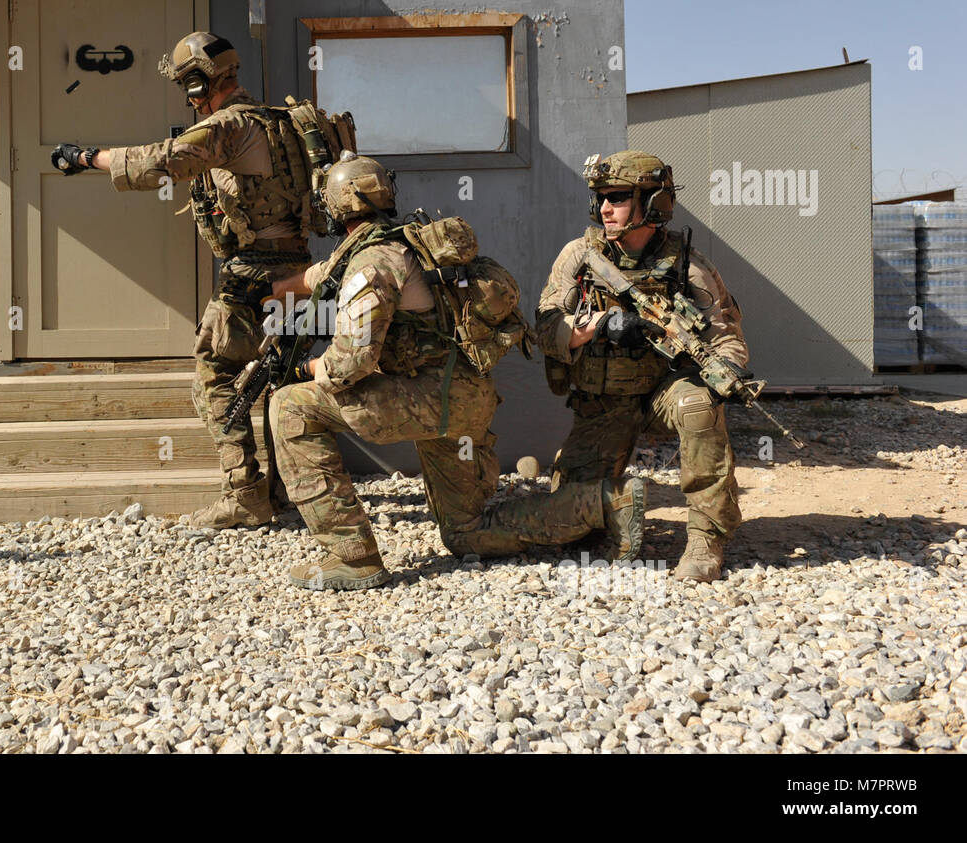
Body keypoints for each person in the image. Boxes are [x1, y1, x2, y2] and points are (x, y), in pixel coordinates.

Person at [268, 153, 647, 591]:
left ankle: (352, 558)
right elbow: (327, 274)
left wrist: (305, 367)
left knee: (291, 407)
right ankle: (607, 503)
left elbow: (352, 361)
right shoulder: (408, 241)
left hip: (429, 399)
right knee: (468, 529)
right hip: (464, 398)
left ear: (335, 207)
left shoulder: (371, 262)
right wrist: (282, 286)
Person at [51, 32, 320, 530]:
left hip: (253, 274)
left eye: (188, 86)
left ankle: (245, 495)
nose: (188, 97)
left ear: (199, 83)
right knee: (279, 380)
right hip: (299, 268)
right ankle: (289, 489)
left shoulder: (229, 125)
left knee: (213, 375)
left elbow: (161, 161)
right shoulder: (281, 123)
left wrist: (86, 158)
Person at [534, 150, 750, 582]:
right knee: (570, 528)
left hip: (661, 394)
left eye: (616, 198)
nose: (604, 209)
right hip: (604, 403)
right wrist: (596, 327)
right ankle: (618, 508)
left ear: (653, 204)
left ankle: (707, 536)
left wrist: (727, 368)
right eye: (600, 199)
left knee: (699, 405)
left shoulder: (688, 264)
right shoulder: (580, 256)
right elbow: (546, 325)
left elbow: (725, 333)